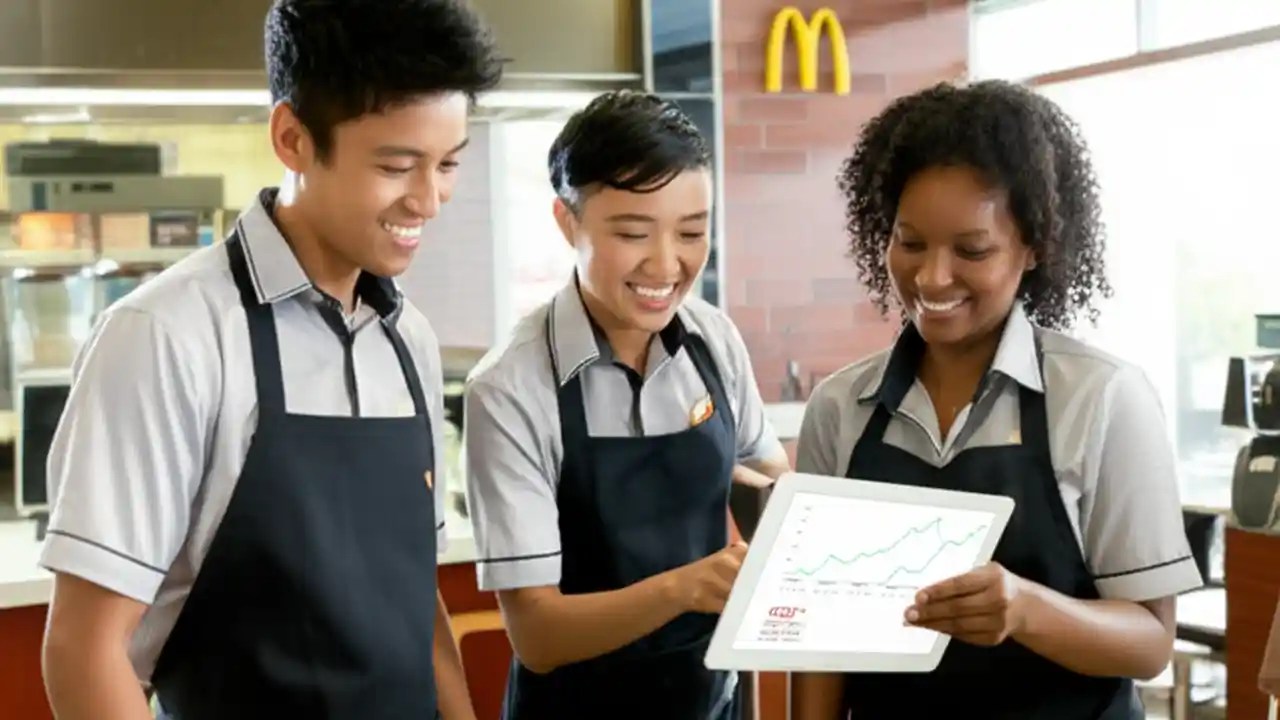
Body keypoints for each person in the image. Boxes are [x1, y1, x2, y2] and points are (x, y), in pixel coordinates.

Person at [38, 1, 503, 718]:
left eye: (447, 165)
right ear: (292, 138)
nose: (429, 199)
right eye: (396, 165)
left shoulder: (408, 337)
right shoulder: (167, 334)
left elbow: (417, 597)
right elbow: (83, 646)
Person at [789, 79, 1204, 719]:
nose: (932, 277)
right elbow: (819, 639)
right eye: (911, 242)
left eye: (972, 250)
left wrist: (1026, 609)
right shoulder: (840, 408)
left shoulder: (1102, 398)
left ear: (1035, 245)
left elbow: (1149, 643)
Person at [463, 89, 791, 720]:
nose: (667, 265)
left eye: (693, 232)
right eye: (633, 233)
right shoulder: (510, 388)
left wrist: (790, 511)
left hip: (708, 703)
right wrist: (685, 588)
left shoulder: (713, 340)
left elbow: (766, 480)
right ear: (568, 222)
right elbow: (538, 635)